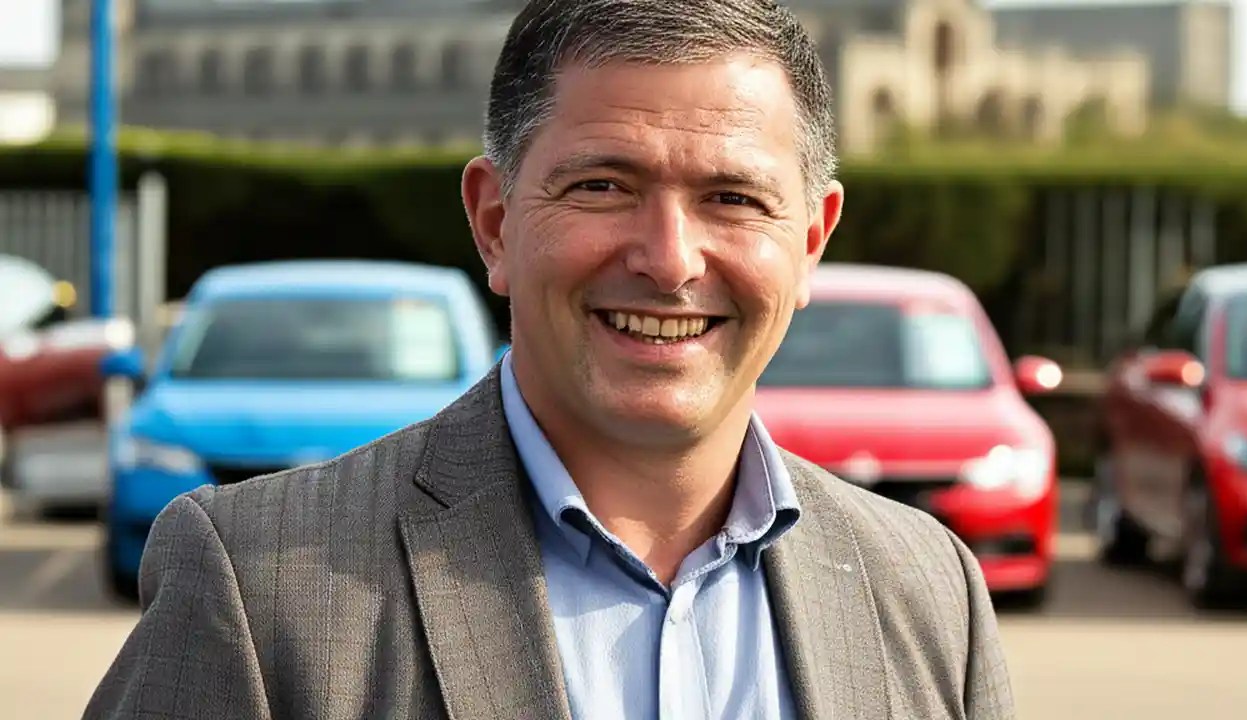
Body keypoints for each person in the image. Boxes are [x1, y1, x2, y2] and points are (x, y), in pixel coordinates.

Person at [84, 1, 1015, 718]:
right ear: (495, 222)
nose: (670, 258)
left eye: (733, 196)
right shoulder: (260, 587)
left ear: (811, 242)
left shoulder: (929, 588)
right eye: (604, 185)